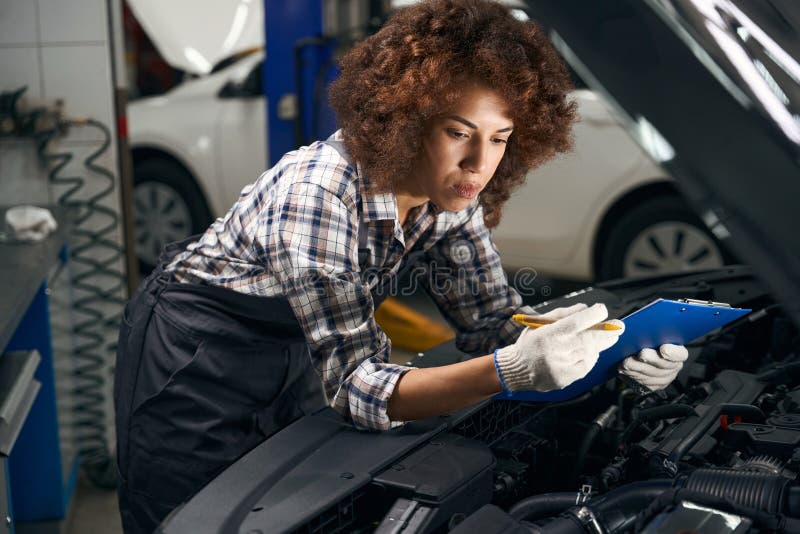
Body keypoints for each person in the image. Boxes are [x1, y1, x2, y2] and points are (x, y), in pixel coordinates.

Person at [113, 0, 688, 531]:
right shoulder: (318, 194)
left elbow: (490, 321)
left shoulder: (451, 197)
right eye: (458, 133)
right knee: (192, 517)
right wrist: (513, 369)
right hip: (197, 352)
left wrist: (609, 348)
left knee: (286, 510)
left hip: (298, 347)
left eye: (500, 139)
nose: (479, 164)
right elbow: (361, 388)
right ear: (408, 118)